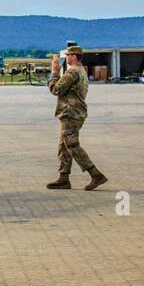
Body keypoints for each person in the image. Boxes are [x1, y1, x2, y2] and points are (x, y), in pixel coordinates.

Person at [46, 42, 108, 190]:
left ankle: (95, 174)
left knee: (72, 144)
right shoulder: (80, 70)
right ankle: (63, 178)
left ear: (74, 56)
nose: (66, 57)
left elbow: (56, 89)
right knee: (64, 146)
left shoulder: (73, 72)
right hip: (74, 112)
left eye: (68, 55)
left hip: (71, 112)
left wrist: (54, 72)